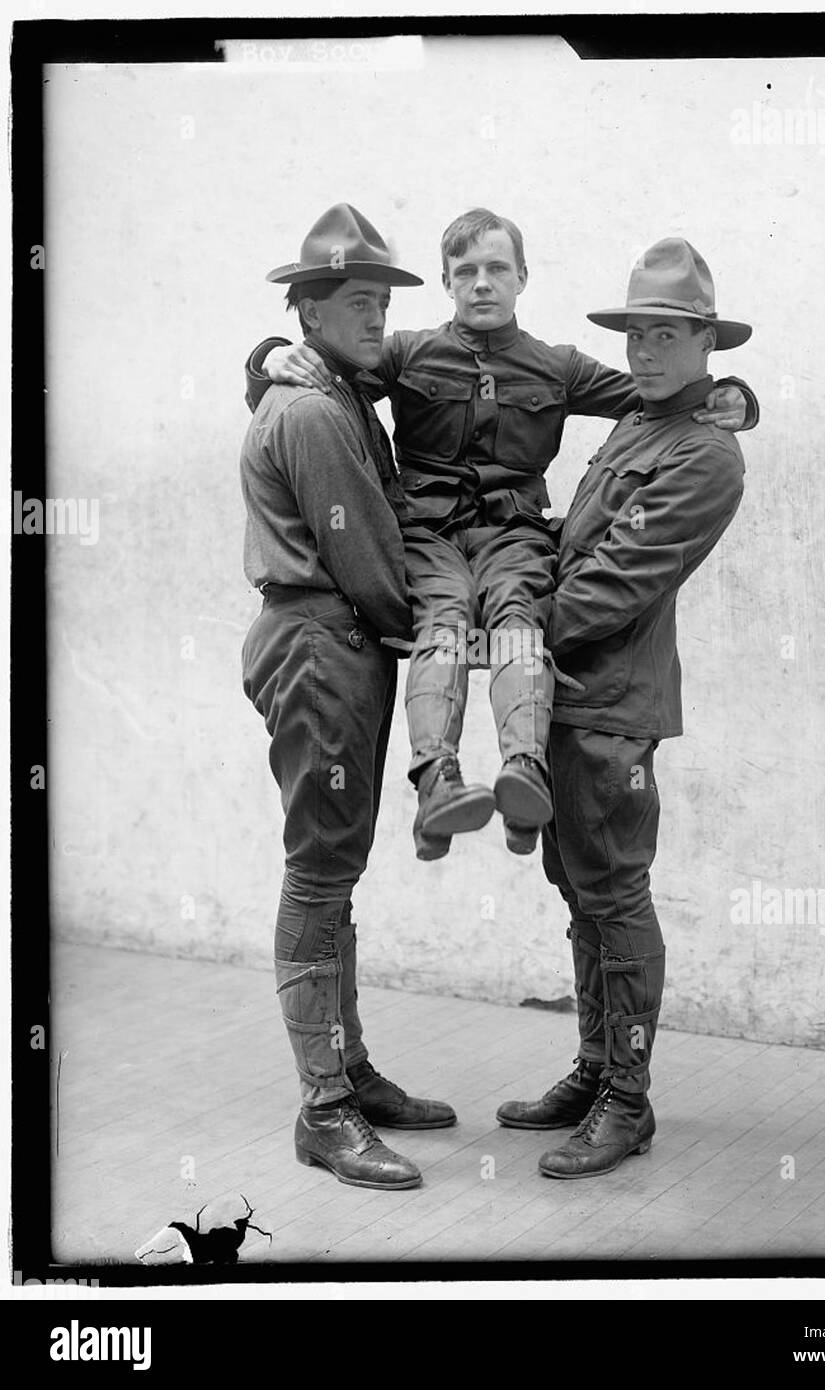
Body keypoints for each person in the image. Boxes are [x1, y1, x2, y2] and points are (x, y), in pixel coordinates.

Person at [245, 209, 759, 860]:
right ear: (445, 282)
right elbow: (327, 373)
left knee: (521, 617)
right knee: (443, 620)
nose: (482, 283)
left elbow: (655, 391)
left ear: (522, 277)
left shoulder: (558, 367)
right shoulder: (406, 354)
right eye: (466, 272)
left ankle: (524, 773)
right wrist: (268, 357)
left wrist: (734, 394)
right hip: (429, 537)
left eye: (496, 269)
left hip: (515, 535)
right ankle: (437, 781)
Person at [496, 239, 752, 1179]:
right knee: (576, 888)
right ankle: (595, 1066)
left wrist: (519, 631)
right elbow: (583, 539)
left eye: (666, 334)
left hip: (615, 708)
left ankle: (628, 1099)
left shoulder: (705, 455)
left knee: (616, 894)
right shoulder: (637, 424)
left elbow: (616, 582)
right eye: (635, 333)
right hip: (566, 698)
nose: (643, 351)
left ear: (705, 343)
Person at [239, 203, 456, 1193]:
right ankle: (324, 1110)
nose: (375, 317)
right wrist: (453, 633)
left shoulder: (335, 385)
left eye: (381, 299)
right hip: (326, 641)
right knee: (319, 875)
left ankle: (349, 1072)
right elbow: (371, 563)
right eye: (355, 301)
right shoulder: (320, 410)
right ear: (310, 311)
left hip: (339, 645)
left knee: (335, 870)